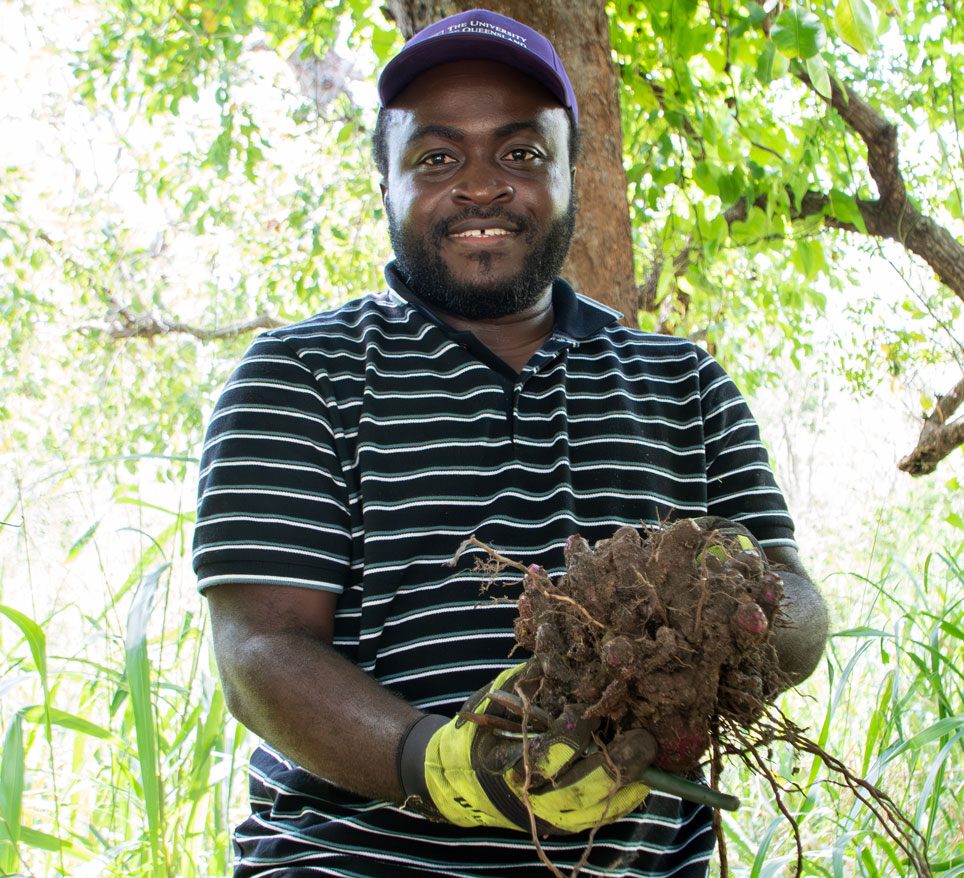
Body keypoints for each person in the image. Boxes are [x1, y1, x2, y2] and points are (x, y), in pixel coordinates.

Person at [193, 8, 829, 876]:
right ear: (386, 179)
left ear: (575, 176)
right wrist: (443, 766)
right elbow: (260, 650)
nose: (483, 186)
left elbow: (796, 596)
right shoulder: (301, 375)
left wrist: (720, 631)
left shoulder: (687, 385)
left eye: (523, 154)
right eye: (438, 157)